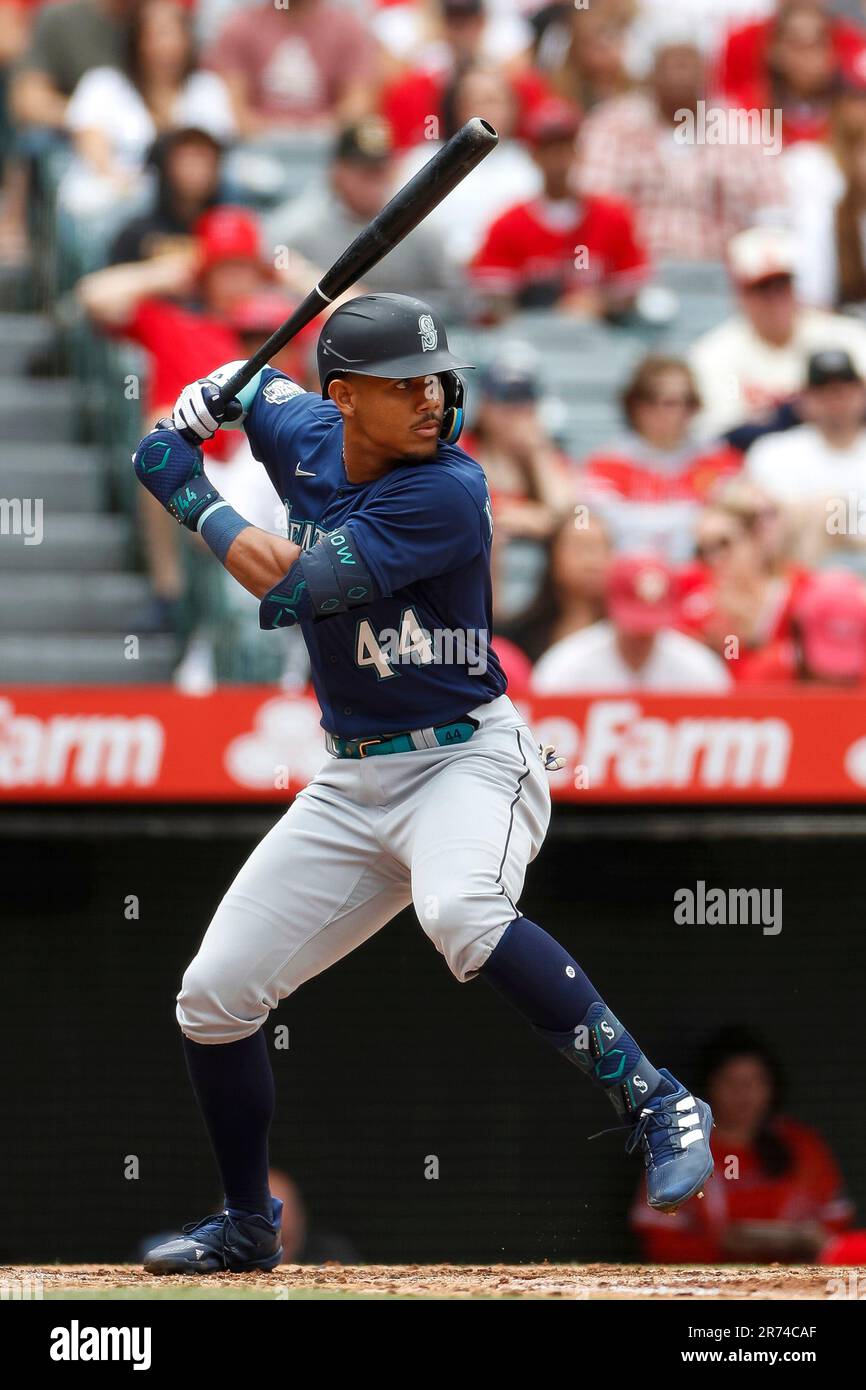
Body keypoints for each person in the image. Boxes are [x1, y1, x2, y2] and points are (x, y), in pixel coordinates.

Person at [131, 292, 714, 1273]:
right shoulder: (305, 428)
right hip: (353, 776)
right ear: (346, 397)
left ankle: (656, 1096)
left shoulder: (445, 491)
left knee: (460, 911)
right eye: (405, 386)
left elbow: (289, 581)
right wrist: (212, 395)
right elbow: (261, 386)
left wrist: (189, 489)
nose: (434, 401)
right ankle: (245, 1225)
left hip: (465, 759)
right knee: (211, 995)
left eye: (438, 380)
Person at [632, 1028, 854, 1263]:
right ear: (709, 1086)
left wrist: (803, 1241)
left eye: (754, 1082)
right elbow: (659, 1241)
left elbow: (838, 1228)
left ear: (772, 1087)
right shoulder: (678, 1149)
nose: (743, 1095)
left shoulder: (803, 1145)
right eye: (731, 1082)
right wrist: (724, 1246)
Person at [577, 35, 788, 262]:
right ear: (650, 73)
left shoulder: (742, 130)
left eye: (688, 60)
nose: (679, 70)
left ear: (707, 71)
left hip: (722, 275)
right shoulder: (611, 127)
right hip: (635, 274)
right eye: (670, 60)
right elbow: (592, 207)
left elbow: (772, 211)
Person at [469, 96, 650, 320]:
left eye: (564, 148)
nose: (557, 160)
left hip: (602, 339)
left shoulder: (613, 216)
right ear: (534, 156)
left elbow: (632, 290)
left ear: (577, 153)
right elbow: (494, 301)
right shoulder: (508, 223)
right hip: (529, 341)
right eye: (548, 149)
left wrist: (598, 302)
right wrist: (547, 314)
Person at [58, 0, 235, 218]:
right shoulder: (103, 85)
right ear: (137, 40)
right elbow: (93, 149)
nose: (167, 46)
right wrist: (124, 183)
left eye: (175, 35)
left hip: (189, 205)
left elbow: (214, 154)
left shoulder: (207, 88)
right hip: (117, 202)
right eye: (157, 35)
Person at [689, 225, 866, 443]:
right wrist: (796, 413)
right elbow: (725, 435)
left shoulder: (846, 335)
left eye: (782, 285)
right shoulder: (714, 353)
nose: (775, 299)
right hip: (756, 469)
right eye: (762, 289)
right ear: (740, 295)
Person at [264, 116, 457, 311]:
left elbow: (459, 305)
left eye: (380, 170)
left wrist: (390, 309)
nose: (373, 181)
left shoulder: (424, 232)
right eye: (363, 171)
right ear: (336, 172)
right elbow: (270, 300)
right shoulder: (296, 230)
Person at [583, 356, 742, 563]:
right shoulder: (607, 463)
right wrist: (691, 518)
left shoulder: (717, 459)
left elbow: (734, 517)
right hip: (625, 574)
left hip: (701, 576)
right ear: (638, 407)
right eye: (669, 402)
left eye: (688, 402)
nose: (681, 412)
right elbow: (597, 524)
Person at [392, 61, 542, 267]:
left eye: (494, 101)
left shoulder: (530, 165)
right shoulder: (423, 161)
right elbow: (403, 227)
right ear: (454, 106)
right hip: (432, 274)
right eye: (475, 101)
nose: (486, 110)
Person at [531, 551, 732, 692]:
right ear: (611, 607)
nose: (641, 635)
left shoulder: (699, 668)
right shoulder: (567, 665)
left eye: (651, 625)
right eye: (633, 625)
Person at [745, 348, 866, 570]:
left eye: (842, 390)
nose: (834, 401)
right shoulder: (773, 452)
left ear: (862, 393)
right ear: (803, 399)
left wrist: (841, 532)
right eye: (822, 391)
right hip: (801, 571)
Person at [680, 486, 810, 669]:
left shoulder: (800, 592)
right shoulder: (698, 610)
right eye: (702, 550)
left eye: (723, 544)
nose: (713, 558)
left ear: (755, 539)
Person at [203, 0, 377, 135]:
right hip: (255, 152)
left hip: (329, 154)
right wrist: (276, 131)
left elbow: (358, 104)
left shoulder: (347, 27)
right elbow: (234, 108)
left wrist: (313, 131)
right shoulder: (240, 27)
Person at [500, 510, 612, 664]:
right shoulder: (520, 636)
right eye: (580, 548)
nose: (592, 560)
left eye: (600, 548)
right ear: (553, 557)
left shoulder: (629, 635)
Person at [107, 124, 225, 266]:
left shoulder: (229, 229)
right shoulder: (136, 234)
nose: (197, 170)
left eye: (205, 159)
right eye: (186, 159)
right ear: (165, 167)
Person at [738, 569, 866, 684]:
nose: (835, 678)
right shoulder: (764, 678)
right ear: (799, 635)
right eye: (822, 676)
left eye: (847, 679)